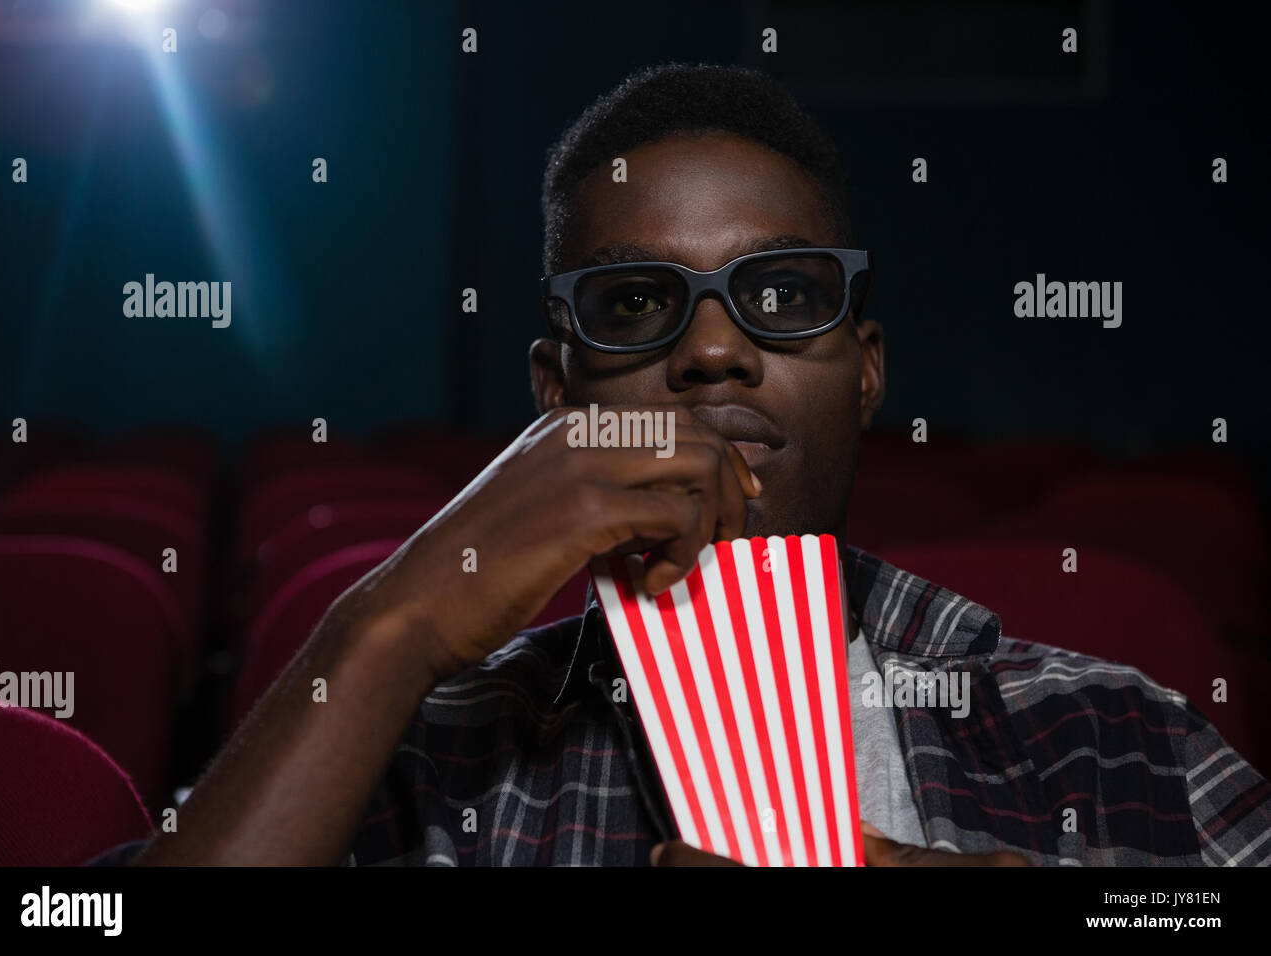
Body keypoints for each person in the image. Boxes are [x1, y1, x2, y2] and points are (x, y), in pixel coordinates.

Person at [119, 62, 1269, 867]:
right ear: (557, 397)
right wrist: (389, 623)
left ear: (864, 372)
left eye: (782, 295)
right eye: (633, 302)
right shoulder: (417, 757)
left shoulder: (1114, 734)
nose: (713, 350)